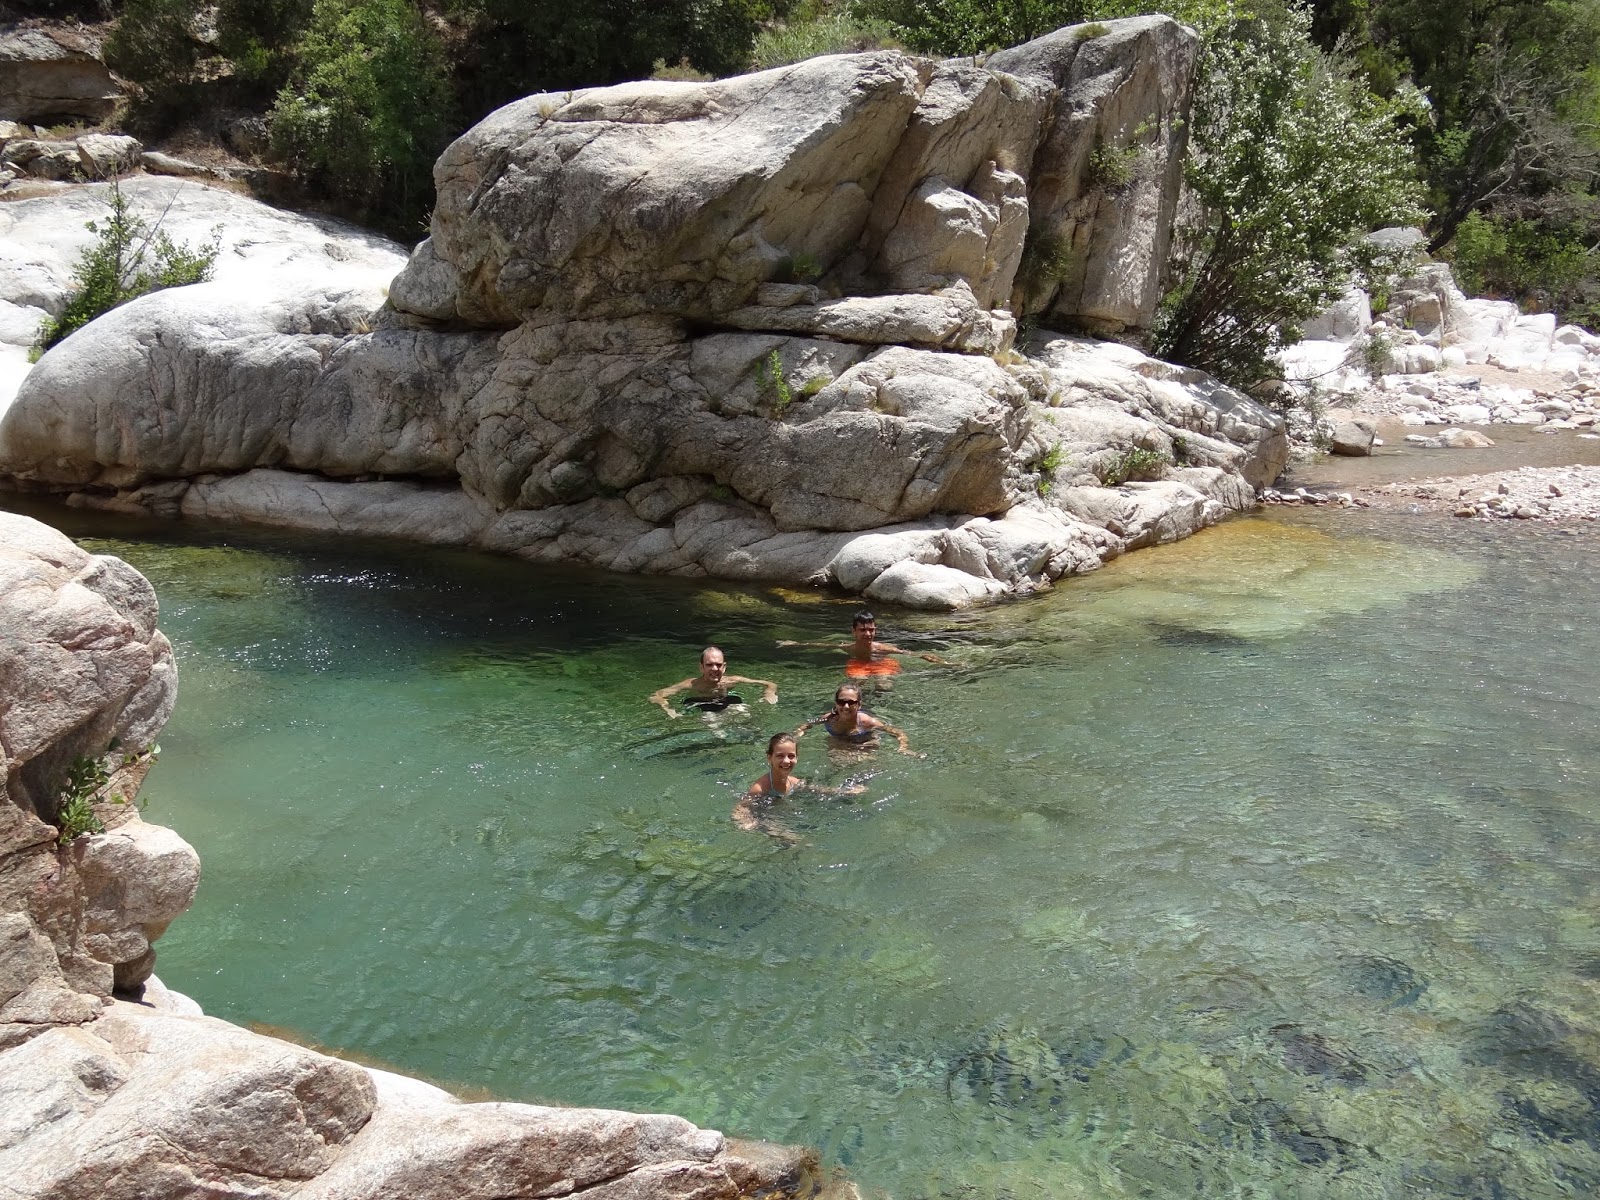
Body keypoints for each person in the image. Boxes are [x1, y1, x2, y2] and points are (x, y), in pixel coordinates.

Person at [732, 732, 863, 840]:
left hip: (780, 812)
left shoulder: (792, 781)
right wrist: (746, 821)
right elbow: (740, 808)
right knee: (793, 840)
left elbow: (815, 789)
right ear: (769, 758)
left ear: (797, 758)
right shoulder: (760, 788)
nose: (786, 761)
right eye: (779, 756)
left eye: (791, 756)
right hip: (764, 817)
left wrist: (843, 791)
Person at [777, 610, 946, 679]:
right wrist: (795, 643)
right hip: (859, 664)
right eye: (863, 630)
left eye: (871, 630)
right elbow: (821, 645)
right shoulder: (848, 647)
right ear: (854, 632)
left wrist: (943, 662)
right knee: (857, 682)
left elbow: (912, 654)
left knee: (884, 684)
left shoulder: (882, 648)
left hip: (881, 664)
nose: (868, 634)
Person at [650, 645, 778, 718]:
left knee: (746, 713)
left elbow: (770, 684)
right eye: (709, 665)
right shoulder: (692, 684)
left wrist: (769, 693)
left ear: (724, 666)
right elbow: (656, 695)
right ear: (701, 667)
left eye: (718, 664)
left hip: (724, 702)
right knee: (712, 722)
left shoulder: (732, 680)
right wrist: (667, 708)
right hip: (701, 705)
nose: (715, 669)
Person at [795, 685, 920, 756]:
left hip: (865, 743)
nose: (846, 707)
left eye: (851, 702)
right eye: (841, 702)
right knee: (836, 757)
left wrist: (903, 747)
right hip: (839, 742)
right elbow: (807, 724)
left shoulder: (868, 722)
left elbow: (898, 732)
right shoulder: (829, 719)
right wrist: (798, 734)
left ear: (859, 705)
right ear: (836, 703)